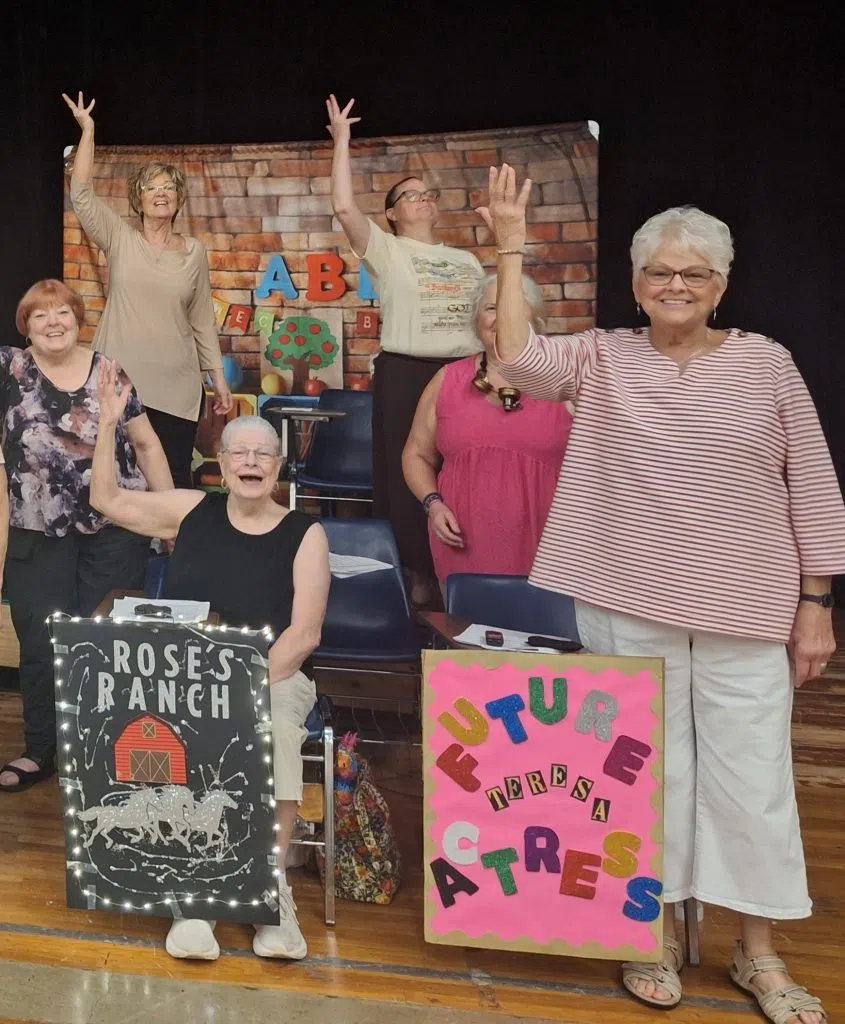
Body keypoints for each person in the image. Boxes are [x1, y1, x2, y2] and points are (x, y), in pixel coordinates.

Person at [482, 164, 844, 1024]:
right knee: (641, 778)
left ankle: (756, 953)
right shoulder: (602, 356)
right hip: (623, 594)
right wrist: (507, 248)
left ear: (720, 284)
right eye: (659, 272)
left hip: (745, 607)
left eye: (694, 272)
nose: (675, 285)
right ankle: (644, 934)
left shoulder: (767, 365)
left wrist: (816, 604)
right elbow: (518, 360)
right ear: (636, 285)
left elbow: (815, 488)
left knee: (751, 781)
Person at [90, 364, 330, 962]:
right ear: (220, 463)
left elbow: (304, 634)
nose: (251, 462)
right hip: (185, 678)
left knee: (271, 727)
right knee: (162, 732)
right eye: (239, 452)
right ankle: (192, 893)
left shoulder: (306, 533)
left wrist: (240, 688)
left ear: (277, 467)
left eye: (264, 454)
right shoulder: (190, 509)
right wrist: (109, 424)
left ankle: (269, 890)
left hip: (271, 676)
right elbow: (106, 498)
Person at [0, 280, 173, 793]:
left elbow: (146, 445)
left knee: (107, 645)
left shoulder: (110, 371)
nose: (53, 323)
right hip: (34, 532)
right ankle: (42, 751)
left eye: (63, 313)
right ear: (25, 325)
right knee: (39, 641)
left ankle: (107, 751)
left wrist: (170, 520)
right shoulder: (8, 369)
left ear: (79, 319)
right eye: (40, 316)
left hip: (114, 530)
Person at [326, 94, 484, 607]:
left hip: (465, 372)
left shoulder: (467, 260)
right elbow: (345, 207)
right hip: (406, 372)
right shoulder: (386, 250)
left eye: (426, 193)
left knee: (462, 469)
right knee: (404, 476)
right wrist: (342, 139)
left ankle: (464, 570)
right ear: (391, 215)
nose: (422, 199)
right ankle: (416, 576)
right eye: (409, 195)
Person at [63, 91, 233, 488]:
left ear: (178, 201)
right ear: (138, 199)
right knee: (112, 478)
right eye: (151, 188)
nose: (160, 194)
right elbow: (82, 193)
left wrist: (218, 379)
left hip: (178, 386)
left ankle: (172, 551)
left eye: (168, 189)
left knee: (170, 481)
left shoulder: (194, 252)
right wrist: (88, 130)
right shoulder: (120, 239)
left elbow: (202, 319)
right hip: (119, 381)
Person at [402, 273, 572, 595]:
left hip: (551, 550)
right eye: (491, 308)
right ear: (476, 319)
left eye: (513, 307)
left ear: (535, 319)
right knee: (470, 640)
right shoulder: (446, 379)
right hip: (463, 545)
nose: (501, 319)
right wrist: (433, 504)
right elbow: (416, 454)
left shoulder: (565, 379)